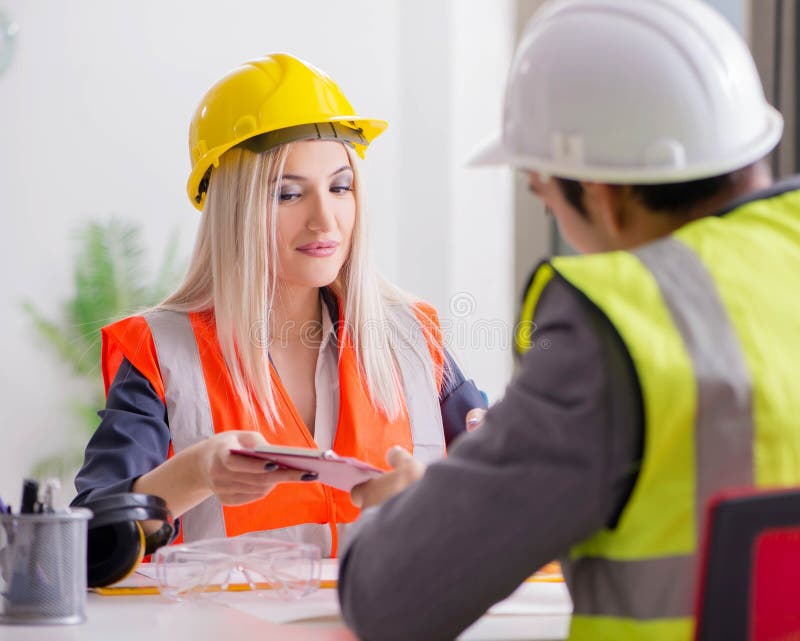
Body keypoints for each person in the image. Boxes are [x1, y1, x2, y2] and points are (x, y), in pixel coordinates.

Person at [337, 1, 800, 639]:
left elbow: (388, 597)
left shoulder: (617, 323)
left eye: (545, 195)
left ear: (602, 194)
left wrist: (407, 508)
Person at [71, 53, 486, 557]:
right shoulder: (161, 352)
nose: (325, 220)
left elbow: (512, 500)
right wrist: (195, 473)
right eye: (288, 194)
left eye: (340, 187)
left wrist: (442, 497)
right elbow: (88, 546)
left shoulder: (413, 340)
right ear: (234, 209)